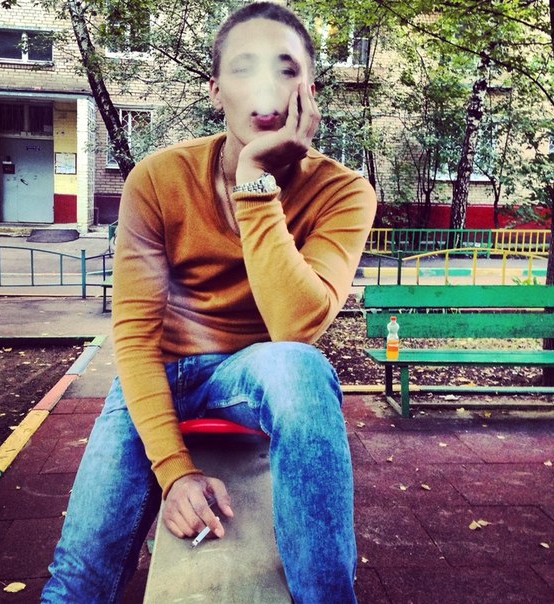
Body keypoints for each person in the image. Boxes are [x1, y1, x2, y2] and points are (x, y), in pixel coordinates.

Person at [42, 2, 376, 602]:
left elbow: (296, 327)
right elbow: (135, 338)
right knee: (80, 575)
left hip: (255, 370)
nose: (265, 88)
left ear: (309, 89)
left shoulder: (343, 192)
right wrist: (175, 473)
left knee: (303, 369)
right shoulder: (159, 178)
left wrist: (255, 181)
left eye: (285, 69)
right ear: (216, 89)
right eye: (244, 69)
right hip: (160, 371)